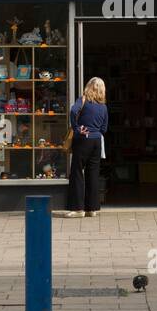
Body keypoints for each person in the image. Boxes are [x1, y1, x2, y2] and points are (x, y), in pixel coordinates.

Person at [66, 77, 108, 218]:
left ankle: (78, 209)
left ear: (88, 87)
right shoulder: (103, 107)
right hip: (96, 141)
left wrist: (77, 128)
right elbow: (104, 128)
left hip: (83, 139)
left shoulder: (83, 99)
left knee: (77, 172)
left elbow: (73, 112)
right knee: (93, 174)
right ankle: (92, 208)